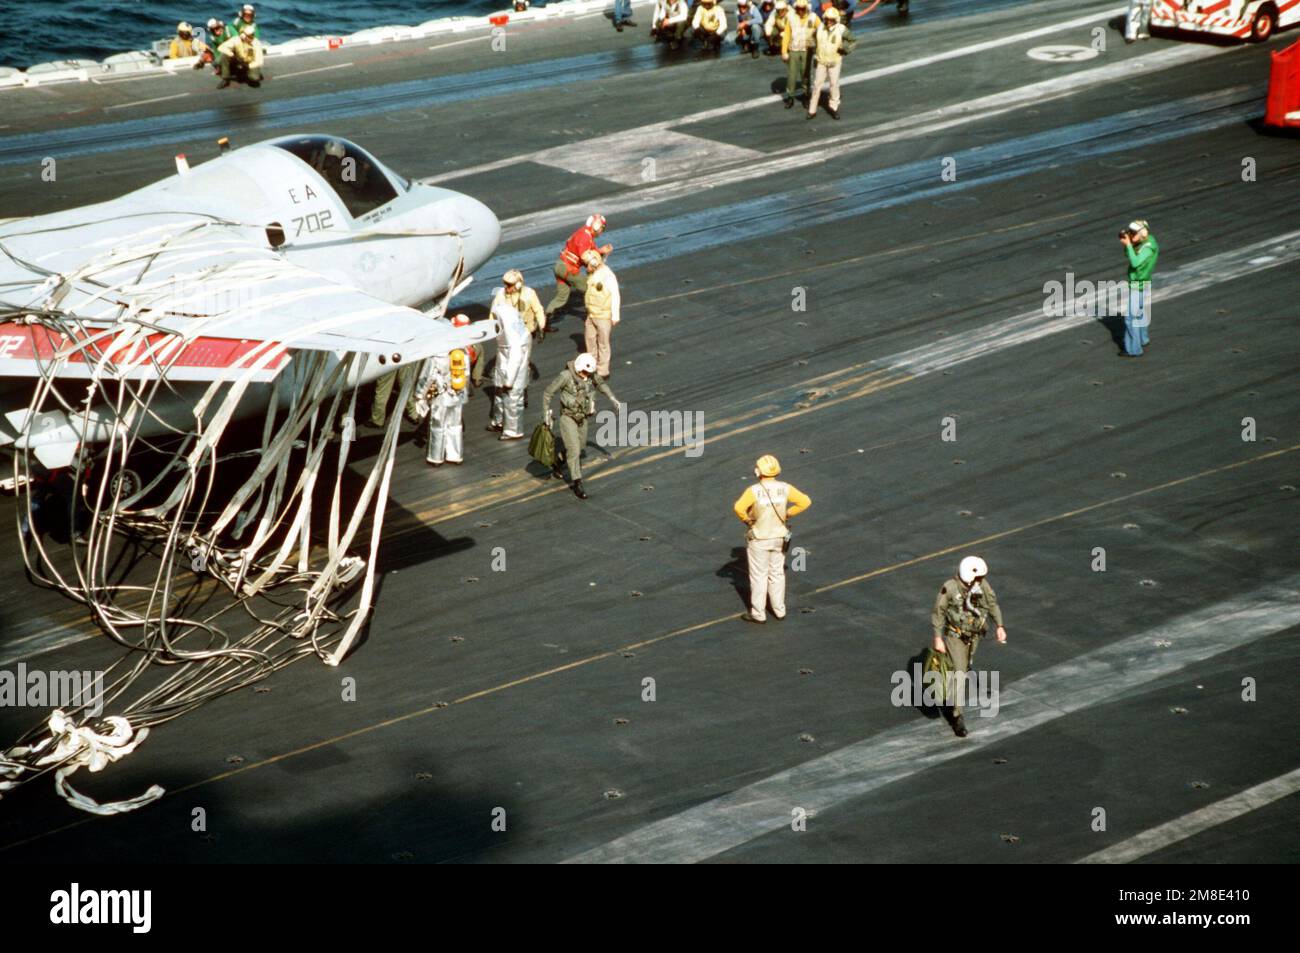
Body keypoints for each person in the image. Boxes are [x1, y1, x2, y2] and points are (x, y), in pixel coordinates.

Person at [931, 556, 1007, 737]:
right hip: (955, 636)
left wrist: (1000, 626)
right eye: (979, 577)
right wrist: (938, 638)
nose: (982, 580)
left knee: (964, 665)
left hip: (974, 635)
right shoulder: (949, 588)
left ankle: (956, 672)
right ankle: (957, 716)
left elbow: (992, 604)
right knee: (960, 674)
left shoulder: (982, 585)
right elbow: (938, 612)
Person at [732, 455, 811, 624]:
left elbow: (738, 508)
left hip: (760, 538)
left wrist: (747, 520)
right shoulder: (785, 488)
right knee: (777, 573)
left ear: (758, 471)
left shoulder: (753, 490)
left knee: (759, 576)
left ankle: (758, 613)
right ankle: (779, 609)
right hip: (779, 537)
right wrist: (787, 514)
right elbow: (805, 502)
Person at [542, 353, 621, 500]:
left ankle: (558, 462)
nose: (587, 375)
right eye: (585, 372)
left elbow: (601, 384)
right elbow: (548, 392)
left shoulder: (591, 376)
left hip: (583, 417)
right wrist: (546, 414)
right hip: (568, 417)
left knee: (580, 445)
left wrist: (613, 399)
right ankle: (577, 482)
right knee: (574, 450)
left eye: (589, 373)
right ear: (578, 368)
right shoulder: (565, 376)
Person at [416, 314, 473, 466]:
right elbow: (466, 373)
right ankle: (455, 455)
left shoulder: (437, 352)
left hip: (441, 395)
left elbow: (427, 376)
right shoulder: (462, 349)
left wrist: (419, 395)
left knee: (437, 426)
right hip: (458, 392)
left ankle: (436, 457)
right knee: (455, 425)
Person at [545, 214, 613, 326]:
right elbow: (586, 257)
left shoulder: (584, 233)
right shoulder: (586, 238)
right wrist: (598, 264)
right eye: (602, 228)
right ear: (596, 226)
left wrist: (602, 251)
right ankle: (592, 316)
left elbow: (592, 251)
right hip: (568, 268)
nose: (601, 231)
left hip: (560, 265)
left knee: (561, 297)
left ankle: (544, 322)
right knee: (589, 288)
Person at [488, 298, 532, 440]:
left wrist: (509, 380)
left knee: (512, 401)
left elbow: (515, 360)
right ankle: (499, 421)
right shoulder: (518, 331)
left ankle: (513, 431)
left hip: (512, 375)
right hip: (503, 370)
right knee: (500, 397)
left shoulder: (514, 340)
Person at [1120, 219, 1158, 358]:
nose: (1130, 234)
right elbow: (1130, 256)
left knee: (1130, 319)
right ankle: (1143, 339)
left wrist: (1129, 245)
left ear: (1143, 232)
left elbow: (1135, 263)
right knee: (1140, 313)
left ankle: (1134, 350)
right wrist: (1128, 245)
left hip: (1139, 284)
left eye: (1133, 232)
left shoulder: (1148, 247)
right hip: (1144, 282)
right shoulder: (1146, 241)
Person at [581, 249, 621, 380]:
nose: (585, 268)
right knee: (590, 340)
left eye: (587, 265)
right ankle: (591, 367)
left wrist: (615, 315)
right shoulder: (594, 274)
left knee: (603, 343)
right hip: (592, 314)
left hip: (603, 315)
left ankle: (603, 371)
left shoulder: (608, 276)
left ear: (593, 264)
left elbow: (615, 295)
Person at [807, 5, 846, 120]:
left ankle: (834, 108)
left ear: (835, 20)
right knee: (816, 85)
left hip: (834, 61)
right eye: (827, 19)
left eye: (831, 19)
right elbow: (812, 39)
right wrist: (814, 51)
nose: (829, 21)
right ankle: (812, 110)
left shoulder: (841, 29)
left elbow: (852, 40)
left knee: (834, 85)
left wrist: (845, 49)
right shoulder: (819, 28)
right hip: (821, 61)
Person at [781, 0, 820, 109]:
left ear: (807, 8)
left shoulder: (813, 17)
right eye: (798, 8)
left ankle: (806, 95)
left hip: (807, 50)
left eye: (803, 8)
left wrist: (818, 47)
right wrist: (784, 51)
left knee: (806, 74)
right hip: (794, 49)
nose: (800, 10)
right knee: (791, 75)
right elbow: (786, 35)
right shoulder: (791, 18)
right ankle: (790, 97)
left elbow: (821, 30)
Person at [495, 269, 547, 342]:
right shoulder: (500, 294)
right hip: (509, 332)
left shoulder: (529, 293)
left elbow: (538, 310)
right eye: (505, 283)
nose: (506, 287)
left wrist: (541, 327)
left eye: (509, 285)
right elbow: (494, 312)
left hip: (527, 331)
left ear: (518, 285)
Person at [217, 23, 265, 88]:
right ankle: (226, 79)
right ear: (243, 35)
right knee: (224, 55)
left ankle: (244, 73)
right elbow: (221, 47)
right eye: (249, 35)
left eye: (252, 35)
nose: (252, 37)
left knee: (255, 78)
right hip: (238, 60)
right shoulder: (236, 40)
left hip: (250, 63)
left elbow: (260, 61)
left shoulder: (256, 43)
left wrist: (247, 66)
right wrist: (232, 55)